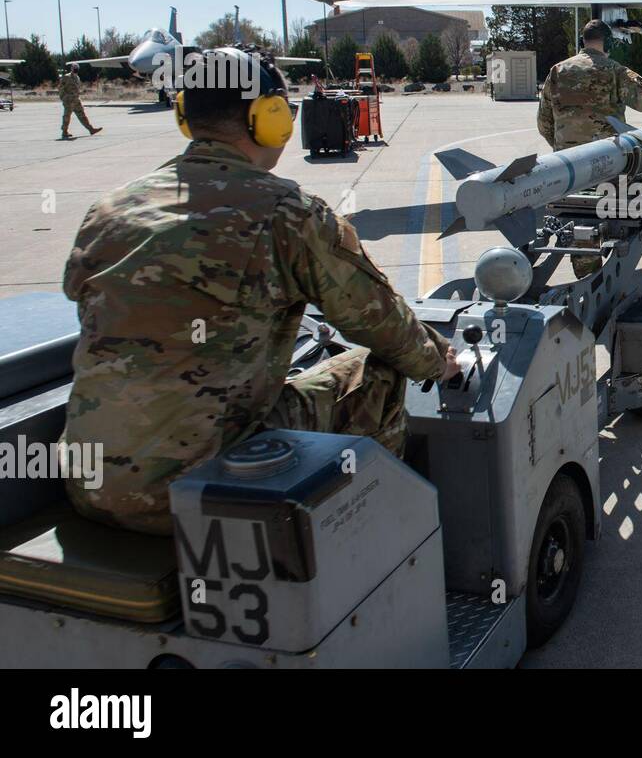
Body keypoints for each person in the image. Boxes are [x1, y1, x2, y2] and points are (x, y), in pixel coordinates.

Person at [59, 48, 458, 535]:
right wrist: (441, 362)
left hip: (88, 485)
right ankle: (374, 547)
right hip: (200, 490)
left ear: (185, 116)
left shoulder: (109, 209)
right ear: (267, 121)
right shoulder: (288, 212)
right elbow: (384, 324)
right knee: (377, 374)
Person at [537, 18, 642, 277]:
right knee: (617, 214)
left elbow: (544, 121)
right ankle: (609, 270)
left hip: (568, 165)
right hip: (607, 163)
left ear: (583, 41)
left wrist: (562, 148)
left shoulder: (558, 71)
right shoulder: (614, 70)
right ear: (606, 42)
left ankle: (586, 274)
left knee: (577, 219)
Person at [58, 63, 102, 140]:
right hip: (69, 100)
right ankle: (64, 132)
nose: (75, 69)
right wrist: (63, 98)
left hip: (76, 100)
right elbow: (61, 88)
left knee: (82, 115)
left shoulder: (77, 77)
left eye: (77, 68)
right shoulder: (66, 77)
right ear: (71, 68)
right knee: (67, 116)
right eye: (74, 67)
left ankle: (91, 129)